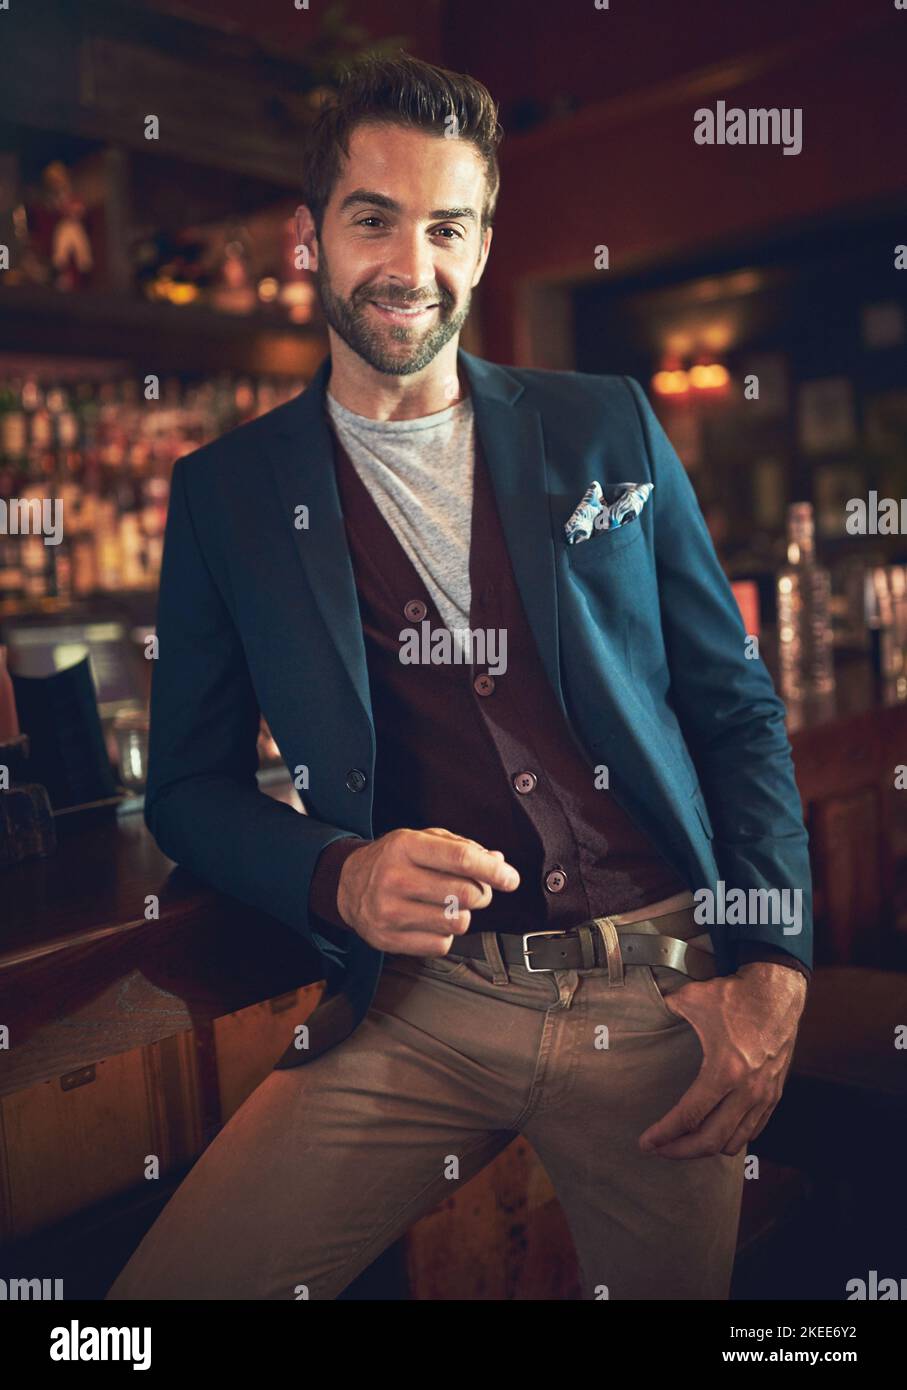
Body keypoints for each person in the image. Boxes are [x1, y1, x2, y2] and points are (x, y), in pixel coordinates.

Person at [107, 52, 811, 1302]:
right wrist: (338, 870)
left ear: (483, 247)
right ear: (307, 237)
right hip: (416, 1008)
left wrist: (767, 968)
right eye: (372, 217)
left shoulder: (607, 424)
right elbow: (189, 791)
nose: (409, 265)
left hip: (659, 995)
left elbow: (734, 706)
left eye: (446, 226)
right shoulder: (224, 493)